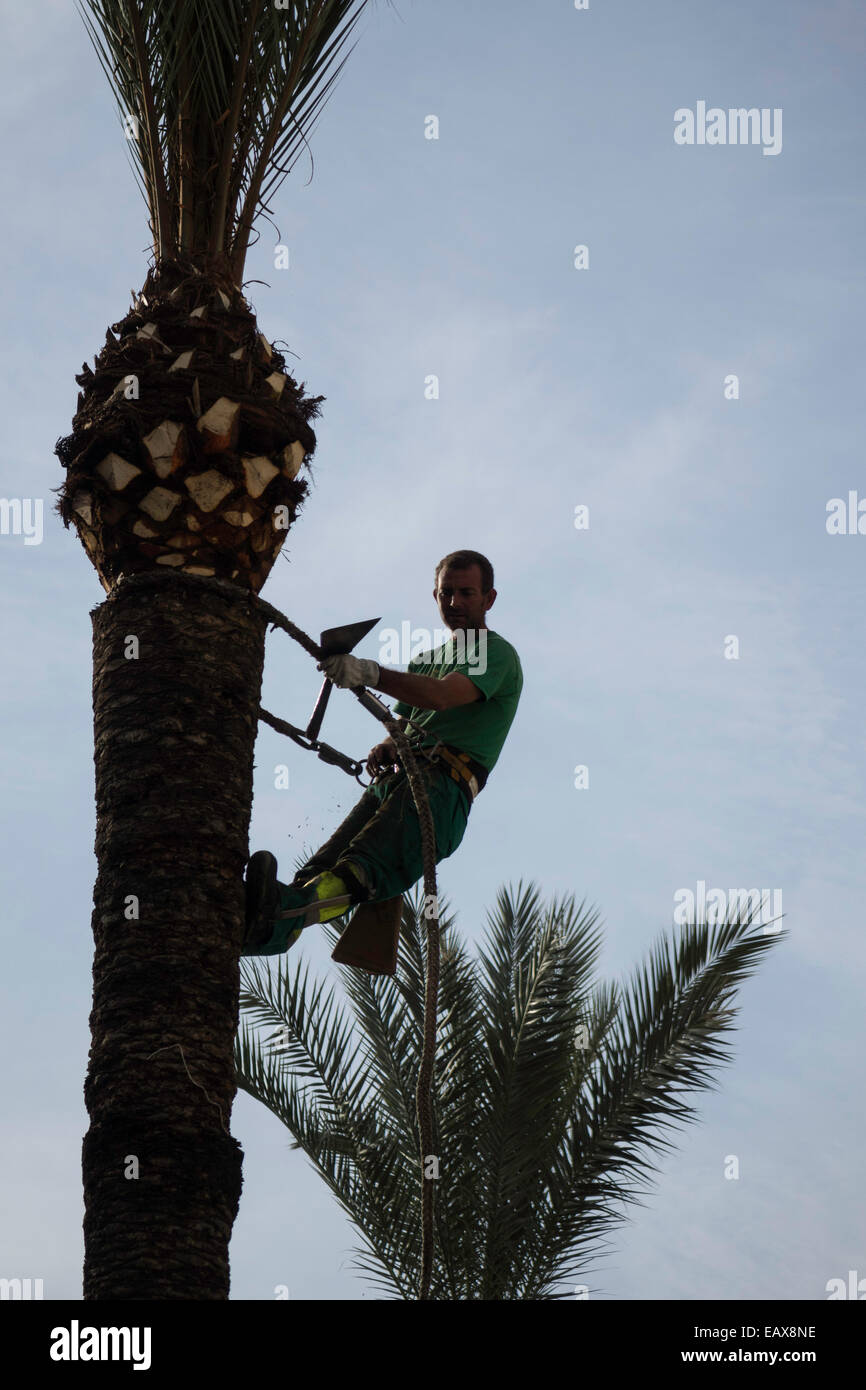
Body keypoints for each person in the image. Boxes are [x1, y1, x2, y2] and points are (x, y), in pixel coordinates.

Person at [242, 549, 523, 956]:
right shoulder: (427, 660)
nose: (455, 603)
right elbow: (406, 728)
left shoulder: (495, 654)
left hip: (443, 789)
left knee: (362, 869)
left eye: (466, 593)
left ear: (488, 599)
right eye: (447, 593)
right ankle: (264, 922)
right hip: (396, 782)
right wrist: (387, 747)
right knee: (321, 867)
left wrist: (371, 672)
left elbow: (442, 698)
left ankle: (280, 920)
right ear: (435, 596)